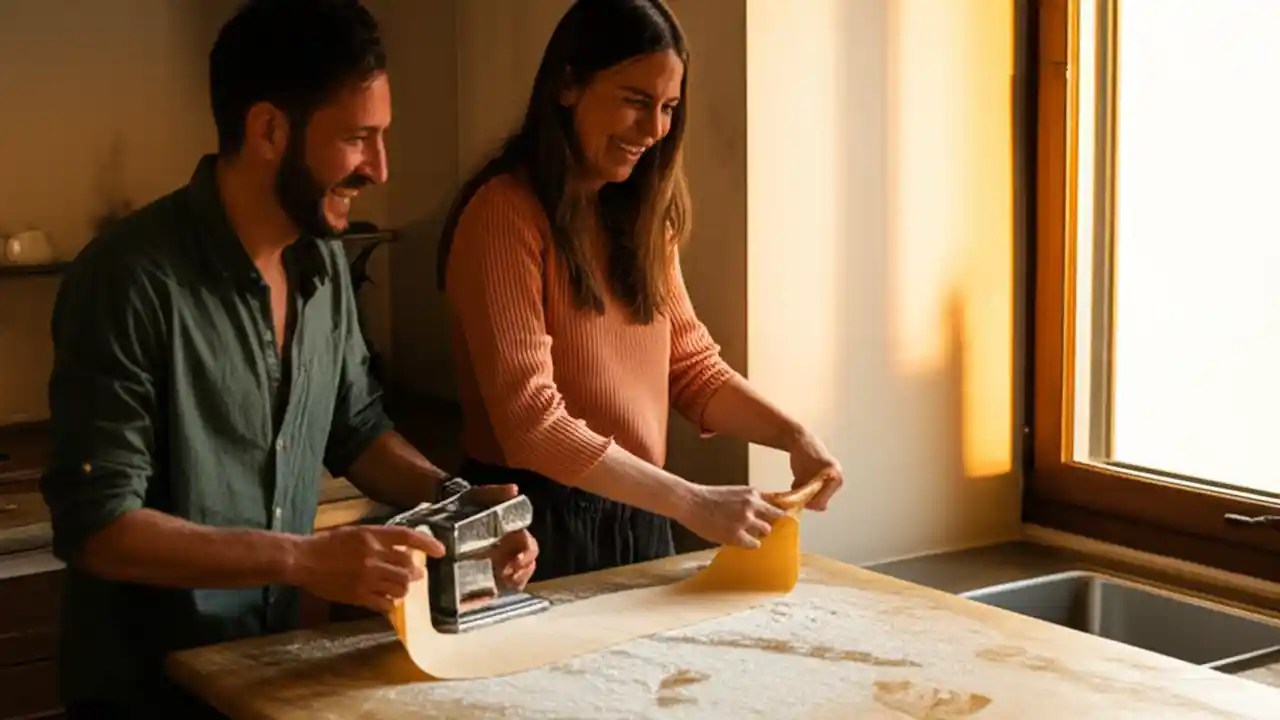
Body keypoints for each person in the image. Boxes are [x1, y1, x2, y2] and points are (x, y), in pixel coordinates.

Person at [40, 1, 536, 716]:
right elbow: (98, 528)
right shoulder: (129, 279)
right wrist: (304, 559)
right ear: (269, 130)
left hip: (268, 681)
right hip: (145, 693)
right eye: (359, 138)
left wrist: (457, 504)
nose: (380, 168)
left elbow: (355, 428)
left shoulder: (325, 264)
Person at [438, 0, 844, 582]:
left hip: (643, 517)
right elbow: (530, 423)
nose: (655, 130)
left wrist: (794, 435)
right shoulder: (504, 214)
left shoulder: (644, 216)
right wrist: (692, 502)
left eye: (668, 108)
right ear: (568, 85)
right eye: (635, 101)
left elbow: (692, 368)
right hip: (533, 530)